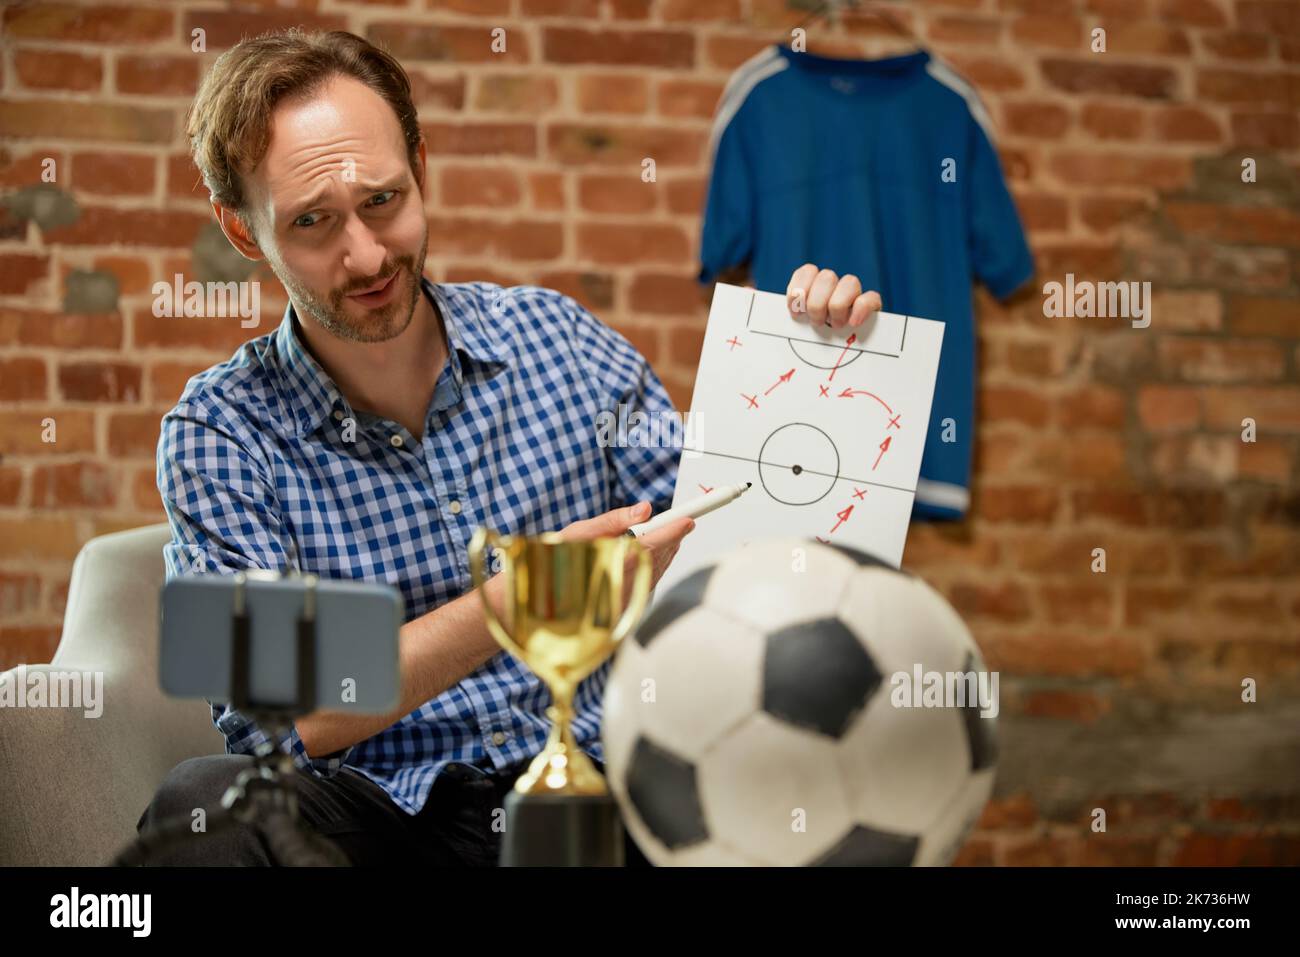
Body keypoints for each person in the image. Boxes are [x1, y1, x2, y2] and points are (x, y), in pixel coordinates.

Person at [137, 28, 883, 866]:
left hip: (603, 803)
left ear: (420, 167)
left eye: (383, 200)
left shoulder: (558, 341)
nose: (368, 254)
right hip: (384, 823)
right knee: (204, 804)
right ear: (243, 232)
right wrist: (523, 599)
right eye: (313, 222)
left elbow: (730, 549)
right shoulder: (219, 431)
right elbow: (286, 711)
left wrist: (820, 373)